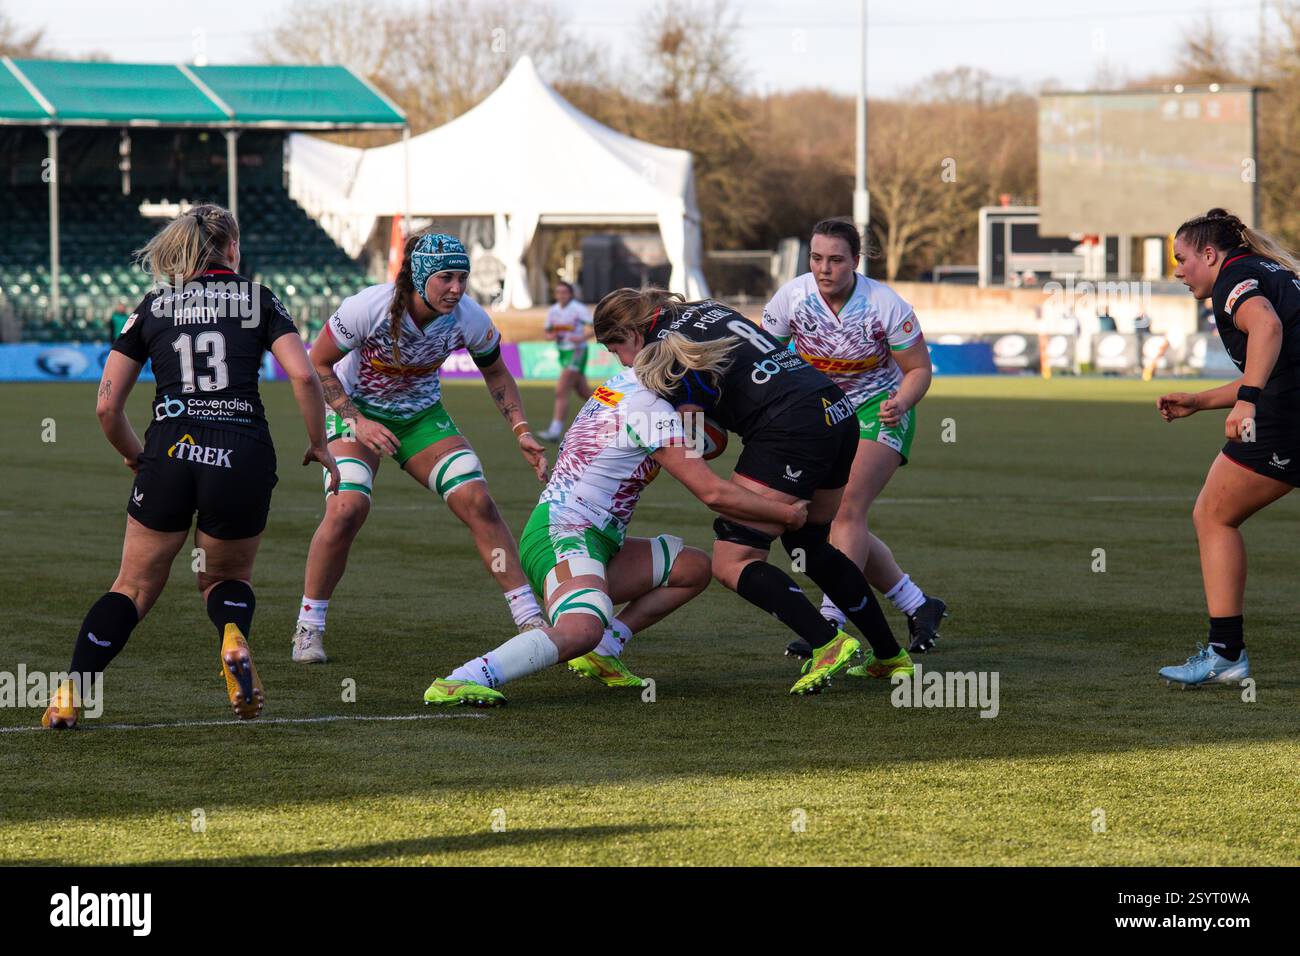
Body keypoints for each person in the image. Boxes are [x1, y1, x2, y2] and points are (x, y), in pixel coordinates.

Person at [42, 203, 338, 729]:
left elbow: (107, 405)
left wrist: (136, 455)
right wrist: (318, 443)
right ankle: (232, 636)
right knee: (225, 577)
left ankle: (70, 693)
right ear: (231, 248)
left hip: (171, 448)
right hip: (241, 451)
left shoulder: (155, 304)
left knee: (131, 588)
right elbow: (303, 376)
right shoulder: (258, 299)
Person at [591, 288, 915, 696]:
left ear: (630, 333)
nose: (621, 361)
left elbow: (701, 446)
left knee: (732, 560)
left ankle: (827, 643)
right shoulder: (705, 308)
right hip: (836, 410)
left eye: (615, 348)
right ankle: (890, 657)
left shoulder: (662, 352)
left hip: (789, 428)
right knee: (812, 544)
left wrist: (674, 435)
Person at [423, 364, 806, 706]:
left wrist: (693, 420)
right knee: (581, 628)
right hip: (564, 532)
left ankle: (606, 648)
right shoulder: (650, 409)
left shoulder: (627, 383)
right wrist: (786, 513)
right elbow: (714, 493)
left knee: (692, 568)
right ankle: (465, 678)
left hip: (597, 537)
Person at [291, 232, 549, 663]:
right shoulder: (367, 307)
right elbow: (317, 363)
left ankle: (529, 618)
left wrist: (521, 430)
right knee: (347, 508)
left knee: (478, 501)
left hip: (421, 418)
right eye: (446, 277)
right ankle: (308, 627)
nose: (457, 288)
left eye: (462, 278)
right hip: (355, 411)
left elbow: (497, 374)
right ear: (421, 276)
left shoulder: (469, 317)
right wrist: (356, 419)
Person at [763, 219, 947, 659]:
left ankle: (830, 621)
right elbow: (765, 359)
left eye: (836, 259)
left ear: (856, 262)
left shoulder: (885, 304)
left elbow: (920, 369)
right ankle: (918, 604)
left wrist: (902, 401)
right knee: (829, 522)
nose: (824, 268)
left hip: (878, 410)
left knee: (847, 509)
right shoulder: (791, 297)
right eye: (816, 258)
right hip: (822, 415)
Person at [1156, 209, 1300, 687]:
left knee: (1213, 516)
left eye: (1182, 259)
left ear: (1210, 255)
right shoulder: (1269, 269)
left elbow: (1267, 331)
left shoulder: (1234, 278)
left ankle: (1225, 653)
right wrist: (1201, 400)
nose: (1177, 270)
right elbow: (1276, 357)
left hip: (1287, 417)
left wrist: (1249, 403)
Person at [537, 281, 593, 442]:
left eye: (565, 292)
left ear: (571, 294)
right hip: (563, 352)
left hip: (577, 351)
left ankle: (554, 431)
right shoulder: (553, 311)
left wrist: (581, 337)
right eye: (558, 292)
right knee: (584, 393)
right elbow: (547, 332)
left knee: (561, 390)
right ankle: (616, 407)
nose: (561, 295)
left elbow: (595, 327)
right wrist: (551, 336)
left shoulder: (578, 309)